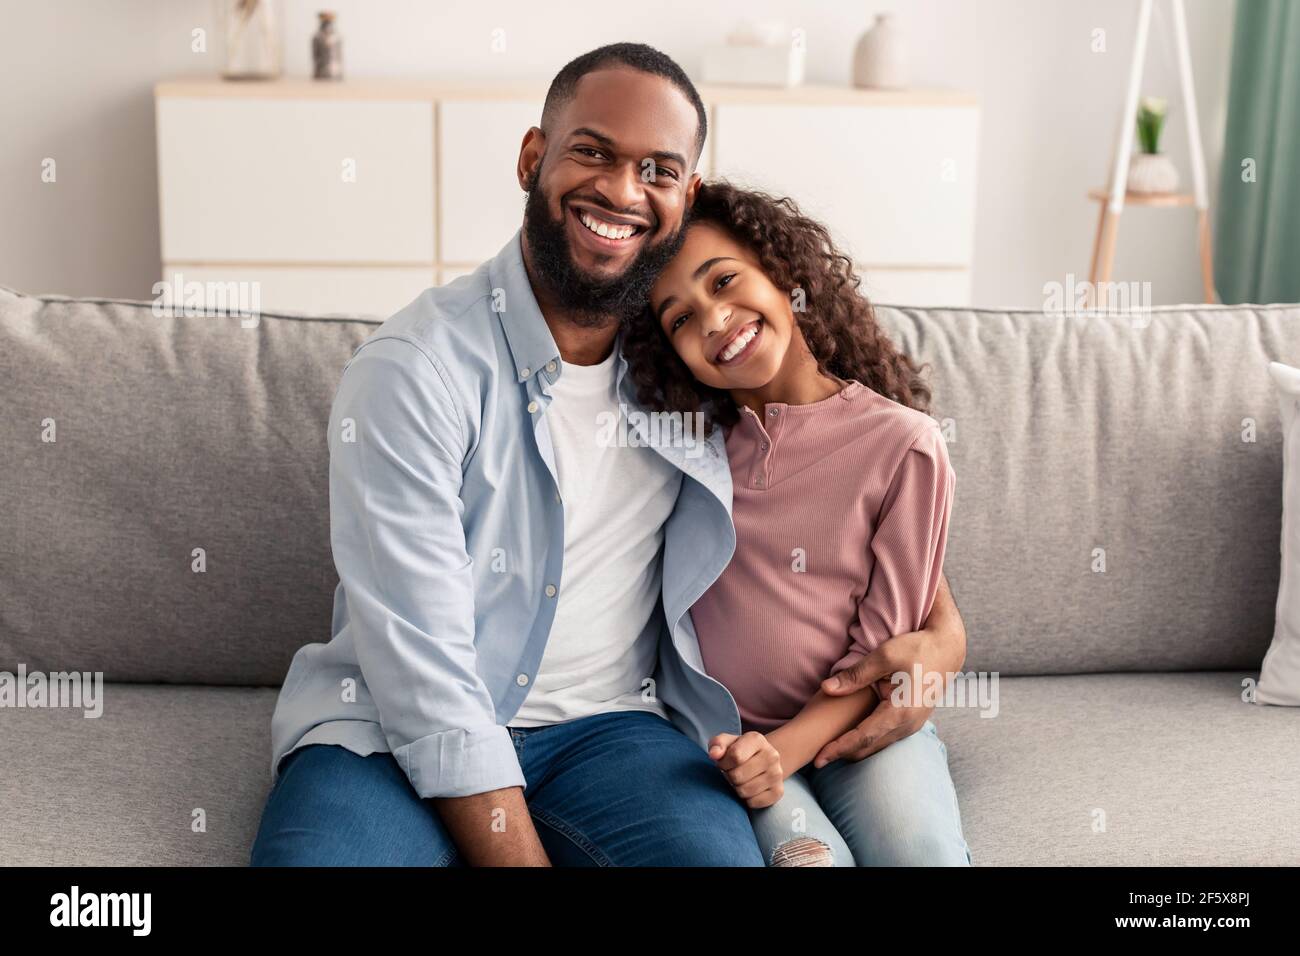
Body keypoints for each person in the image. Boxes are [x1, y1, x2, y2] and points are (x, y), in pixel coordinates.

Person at [249, 42, 968, 867]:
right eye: (593, 151)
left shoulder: (687, 363)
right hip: (385, 728)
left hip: (617, 731)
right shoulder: (415, 371)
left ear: (685, 195)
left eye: (658, 170)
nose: (623, 191)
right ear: (533, 158)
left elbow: (855, 497)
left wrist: (944, 637)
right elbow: (423, 673)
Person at [624, 181, 972, 866]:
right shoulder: (684, 446)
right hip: (729, 741)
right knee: (809, 861)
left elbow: (887, 646)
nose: (715, 320)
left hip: (857, 726)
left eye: (724, 281)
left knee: (921, 855)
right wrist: (760, 756)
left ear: (783, 274)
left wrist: (785, 751)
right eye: (680, 320)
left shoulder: (905, 445)